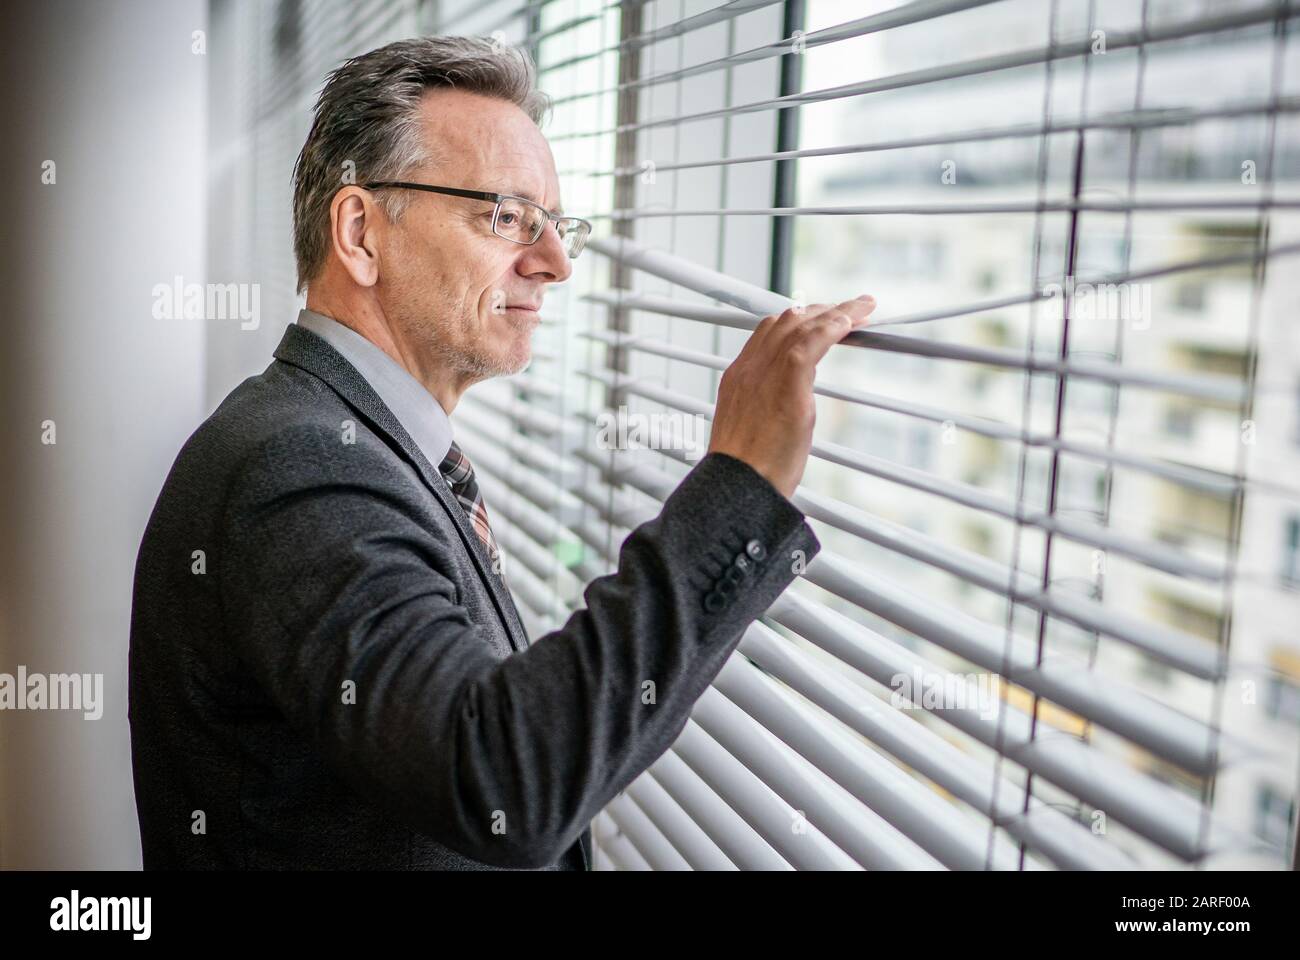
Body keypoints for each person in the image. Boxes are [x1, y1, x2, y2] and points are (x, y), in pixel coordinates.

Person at [128, 35, 875, 870]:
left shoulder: (350, 439)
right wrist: (740, 486)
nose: (553, 263)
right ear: (361, 233)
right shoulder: (300, 467)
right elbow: (500, 779)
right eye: (506, 216)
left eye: (555, 225)